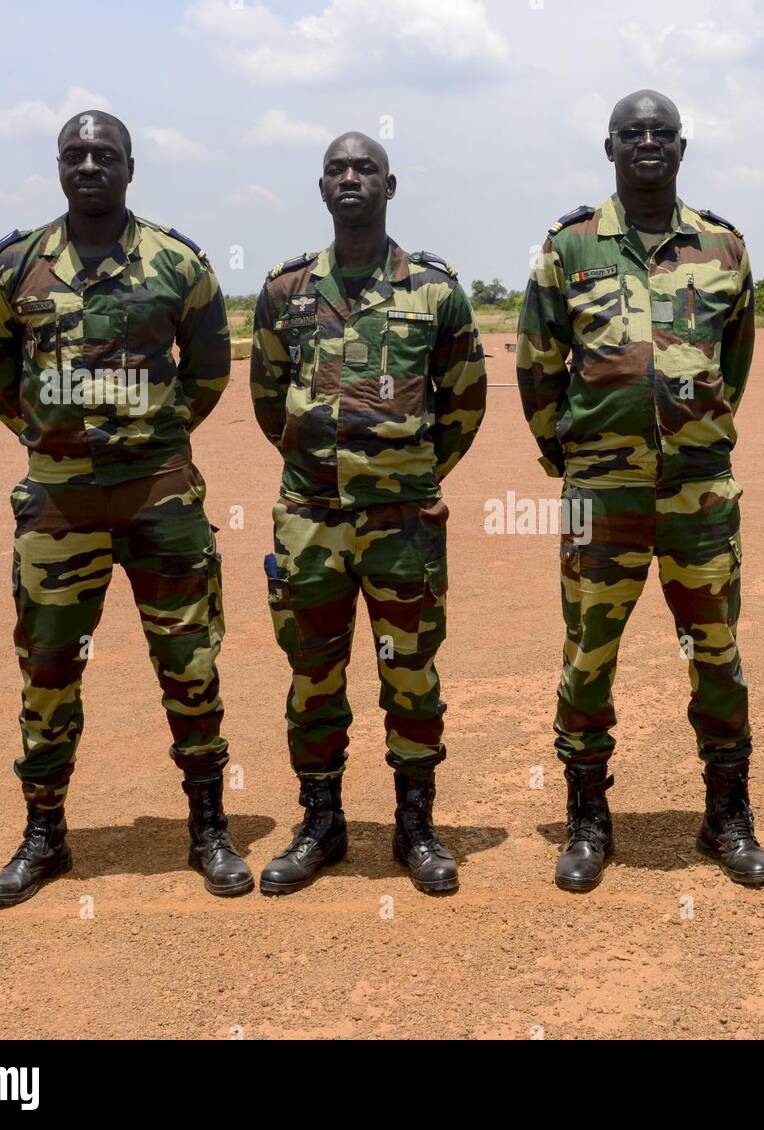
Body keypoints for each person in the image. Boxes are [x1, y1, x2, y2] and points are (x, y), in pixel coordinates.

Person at [0, 110, 245, 907]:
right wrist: (47, 437)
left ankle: (209, 828)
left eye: (105, 154)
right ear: (59, 167)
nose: (89, 164)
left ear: (132, 166)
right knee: (49, 669)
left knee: (189, 664)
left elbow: (207, 371)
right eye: (75, 154)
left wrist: (151, 440)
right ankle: (44, 836)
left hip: (160, 498)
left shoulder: (177, 263)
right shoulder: (15, 266)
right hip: (59, 505)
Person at [517, 90, 764, 892]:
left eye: (662, 133)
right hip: (603, 492)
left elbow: (734, 363)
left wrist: (693, 435)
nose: (648, 143)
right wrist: (575, 455)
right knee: (589, 657)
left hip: (699, 491)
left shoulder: (725, 249)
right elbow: (535, 365)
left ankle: (727, 813)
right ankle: (588, 817)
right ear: (610, 148)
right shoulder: (571, 247)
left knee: (718, 655)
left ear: (682, 148)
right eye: (634, 133)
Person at [250, 132, 486, 895]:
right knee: (312, 674)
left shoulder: (434, 290)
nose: (350, 179)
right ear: (322, 190)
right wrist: (318, 463)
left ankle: (416, 825)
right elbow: (266, 397)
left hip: (404, 523)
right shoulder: (286, 291)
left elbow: (465, 401)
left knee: (410, 672)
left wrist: (409, 472)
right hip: (310, 517)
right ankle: (321, 823)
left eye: (365, 170)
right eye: (336, 170)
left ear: (391, 185)